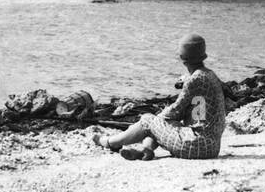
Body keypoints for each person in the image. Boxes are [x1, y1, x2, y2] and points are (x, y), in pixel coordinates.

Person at [94, 34, 225, 161]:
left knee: (147, 120)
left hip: (196, 146)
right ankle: (146, 150)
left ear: (182, 57)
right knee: (163, 124)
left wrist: (153, 120)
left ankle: (109, 142)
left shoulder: (194, 79)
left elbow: (176, 110)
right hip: (212, 146)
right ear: (203, 55)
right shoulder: (210, 75)